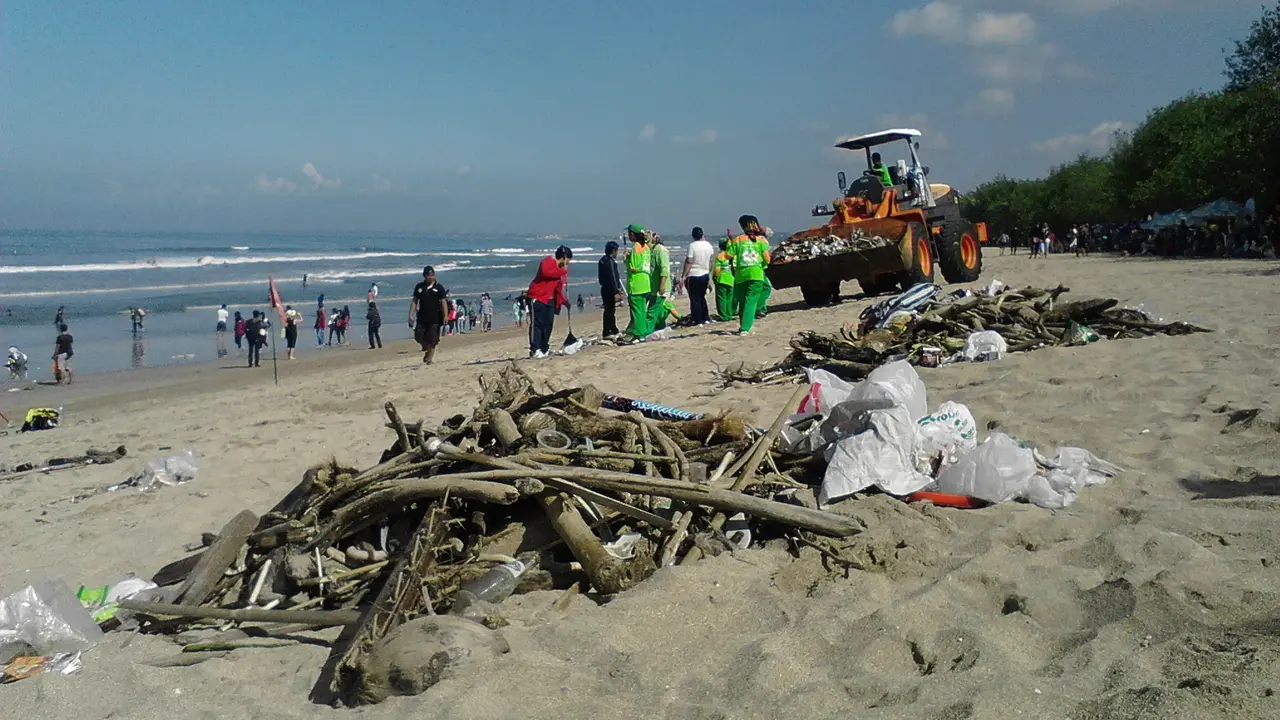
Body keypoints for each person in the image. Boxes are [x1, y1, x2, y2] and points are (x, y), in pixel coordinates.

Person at [526, 245, 572, 358]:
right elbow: (547, 273)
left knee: (548, 325)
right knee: (537, 325)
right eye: (567, 261)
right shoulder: (548, 261)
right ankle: (534, 349)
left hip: (550, 300)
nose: (567, 264)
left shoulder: (560, 272)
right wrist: (562, 271)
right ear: (564, 257)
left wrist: (564, 301)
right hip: (537, 297)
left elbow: (557, 288)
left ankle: (543, 347)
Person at [728, 214, 770, 335]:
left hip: (741, 274)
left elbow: (728, 255)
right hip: (756, 273)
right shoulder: (761, 241)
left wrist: (730, 241)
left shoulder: (738, 240)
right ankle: (745, 328)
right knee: (751, 301)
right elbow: (767, 259)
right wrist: (762, 265)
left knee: (742, 300)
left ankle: (743, 325)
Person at [409, 265, 448, 364]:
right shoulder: (419, 287)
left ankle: (429, 358)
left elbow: (443, 302)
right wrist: (411, 315)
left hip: (435, 318)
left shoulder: (439, 288)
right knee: (419, 336)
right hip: (422, 317)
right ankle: (426, 349)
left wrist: (445, 315)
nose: (430, 277)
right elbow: (414, 301)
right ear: (424, 276)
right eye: (428, 275)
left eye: (432, 275)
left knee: (433, 339)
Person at [623, 224, 654, 340]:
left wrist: (626, 260)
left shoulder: (636, 247)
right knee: (641, 310)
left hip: (636, 284)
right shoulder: (646, 247)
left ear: (632, 234)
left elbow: (634, 267)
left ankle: (640, 334)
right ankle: (637, 331)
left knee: (637, 311)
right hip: (646, 282)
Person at [682, 227, 715, 325]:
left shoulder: (692, 246)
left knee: (694, 298)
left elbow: (689, 261)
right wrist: (709, 272)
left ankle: (697, 318)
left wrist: (684, 275)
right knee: (702, 296)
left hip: (694, 274)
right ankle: (705, 316)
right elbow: (711, 260)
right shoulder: (708, 245)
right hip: (705, 273)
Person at [597, 240, 624, 337]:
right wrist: (616, 291)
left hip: (604, 288)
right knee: (610, 311)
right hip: (610, 289)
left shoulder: (602, 260)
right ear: (613, 251)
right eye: (616, 251)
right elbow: (613, 277)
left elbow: (601, 278)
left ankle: (611, 329)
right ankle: (609, 330)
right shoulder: (609, 262)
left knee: (609, 310)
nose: (617, 253)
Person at [647, 232, 672, 333]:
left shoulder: (661, 250)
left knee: (652, 312)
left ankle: (647, 332)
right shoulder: (651, 251)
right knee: (657, 312)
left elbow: (664, 268)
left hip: (661, 287)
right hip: (653, 287)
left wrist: (662, 285)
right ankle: (659, 329)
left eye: (649, 234)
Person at [712, 238, 736, 321]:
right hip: (731, 279)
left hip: (722, 278)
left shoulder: (720, 255)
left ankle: (724, 315)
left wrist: (715, 277)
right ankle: (729, 314)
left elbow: (717, 269)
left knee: (721, 298)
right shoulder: (732, 255)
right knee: (730, 298)